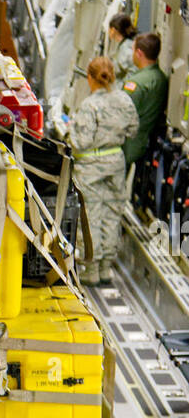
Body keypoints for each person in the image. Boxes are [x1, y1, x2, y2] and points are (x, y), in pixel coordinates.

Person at [67, 55, 138, 286]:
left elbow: (81, 141)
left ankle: (91, 269)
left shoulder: (90, 105)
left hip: (90, 166)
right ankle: (107, 267)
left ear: (90, 78)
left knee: (90, 216)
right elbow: (133, 130)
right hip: (116, 162)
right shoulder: (124, 100)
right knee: (112, 213)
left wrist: (70, 129)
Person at [122, 31, 169, 170]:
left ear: (139, 53)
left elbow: (120, 115)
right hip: (145, 143)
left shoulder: (136, 83)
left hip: (128, 147)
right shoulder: (160, 78)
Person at [107, 13, 136, 86]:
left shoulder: (126, 49)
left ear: (113, 30)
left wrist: (119, 87)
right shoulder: (125, 44)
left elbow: (132, 73)